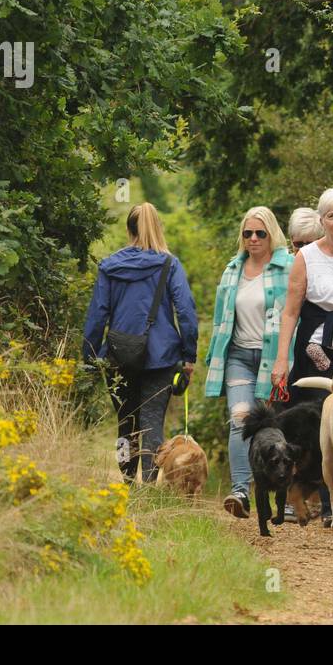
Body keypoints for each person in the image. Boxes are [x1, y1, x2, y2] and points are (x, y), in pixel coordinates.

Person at [83, 203, 198, 485]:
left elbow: (98, 314)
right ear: (158, 227)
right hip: (160, 356)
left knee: (126, 423)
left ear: (128, 229)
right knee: (151, 422)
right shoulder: (169, 264)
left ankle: (127, 482)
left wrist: (92, 355)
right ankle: (148, 483)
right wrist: (188, 355)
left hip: (118, 358)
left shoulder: (110, 266)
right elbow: (185, 311)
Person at [274, 186, 333, 525]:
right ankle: (330, 506)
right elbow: (290, 312)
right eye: (331, 216)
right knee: (323, 423)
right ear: (322, 220)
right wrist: (281, 360)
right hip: (315, 348)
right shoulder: (306, 256)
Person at [202, 207, 294, 519]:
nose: (253, 239)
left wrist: (286, 359)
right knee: (239, 420)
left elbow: (296, 314)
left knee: (268, 425)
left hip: (273, 358)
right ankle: (240, 491)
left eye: (260, 233)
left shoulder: (289, 267)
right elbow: (220, 319)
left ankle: (273, 488)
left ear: (271, 234)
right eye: (247, 233)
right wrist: (213, 354)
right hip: (239, 355)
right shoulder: (232, 270)